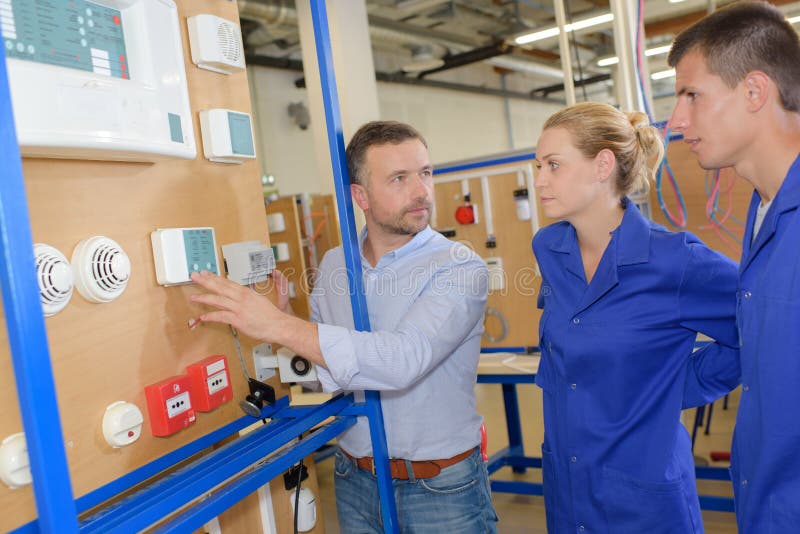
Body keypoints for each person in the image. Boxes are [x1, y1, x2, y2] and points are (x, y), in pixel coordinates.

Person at [190, 120, 498, 533]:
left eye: (425, 172)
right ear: (360, 195)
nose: (421, 190)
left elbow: (402, 361)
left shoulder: (459, 266)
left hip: (441, 488)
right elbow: (330, 378)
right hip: (355, 480)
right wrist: (281, 331)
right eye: (399, 179)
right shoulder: (336, 265)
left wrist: (281, 326)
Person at [531, 102, 740, 533]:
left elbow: (758, 328)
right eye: (538, 166)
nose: (539, 180)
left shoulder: (675, 260)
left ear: (602, 165)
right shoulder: (549, 248)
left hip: (643, 498)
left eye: (553, 165)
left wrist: (674, 384)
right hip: (568, 489)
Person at [668, 2, 800, 531]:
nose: (677, 119)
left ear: (754, 92)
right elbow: (756, 353)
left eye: (691, 96)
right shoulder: (764, 211)